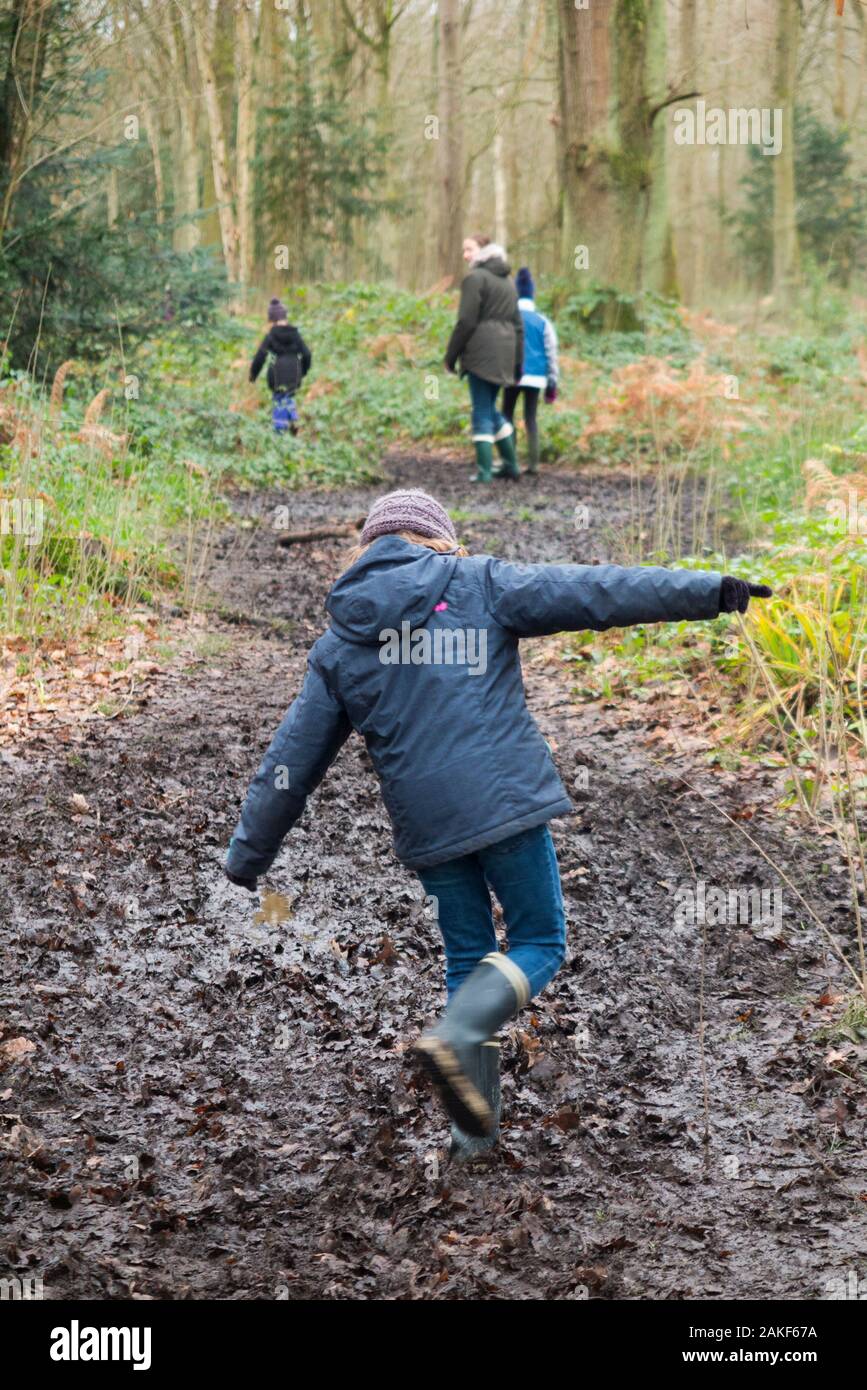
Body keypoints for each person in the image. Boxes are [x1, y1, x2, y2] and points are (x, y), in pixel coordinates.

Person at [223, 488, 772, 1161]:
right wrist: (710, 590)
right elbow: (596, 592)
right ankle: (459, 1038)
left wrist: (247, 855)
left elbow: (290, 762)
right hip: (504, 801)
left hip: (429, 825)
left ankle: (472, 1137)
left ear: (368, 549)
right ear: (438, 539)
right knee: (539, 939)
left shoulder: (341, 642)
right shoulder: (480, 583)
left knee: (469, 958)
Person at [445, 236, 523, 484]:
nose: (465, 255)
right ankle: (511, 465)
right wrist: (517, 362)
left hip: (481, 352)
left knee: (481, 409)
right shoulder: (509, 282)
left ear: (483, 251)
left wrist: (451, 356)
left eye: (469, 249)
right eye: (464, 250)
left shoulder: (475, 279)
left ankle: (484, 472)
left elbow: (466, 321)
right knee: (490, 408)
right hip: (505, 352)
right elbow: (518, 325)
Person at [501, 267, 558, 476]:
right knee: (531, 419)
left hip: (512, 375)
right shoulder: (543, 322)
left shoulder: (508, 318)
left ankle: (510, 462)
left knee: (507, 415)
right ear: (532, 294)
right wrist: (552, 381)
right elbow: (551, 352)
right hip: (536, 377)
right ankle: (534, 465)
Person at [250, 298, 312, 436]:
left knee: (279, 400)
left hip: (277, 374)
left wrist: (253, 375)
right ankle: (294, 420)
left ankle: (279, 432)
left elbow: (260, 356)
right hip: (295, 372)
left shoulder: (271, 336)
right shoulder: (295, 335)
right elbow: (307, 354)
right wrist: (303, 371)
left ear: (273, 319)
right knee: (289, 396)